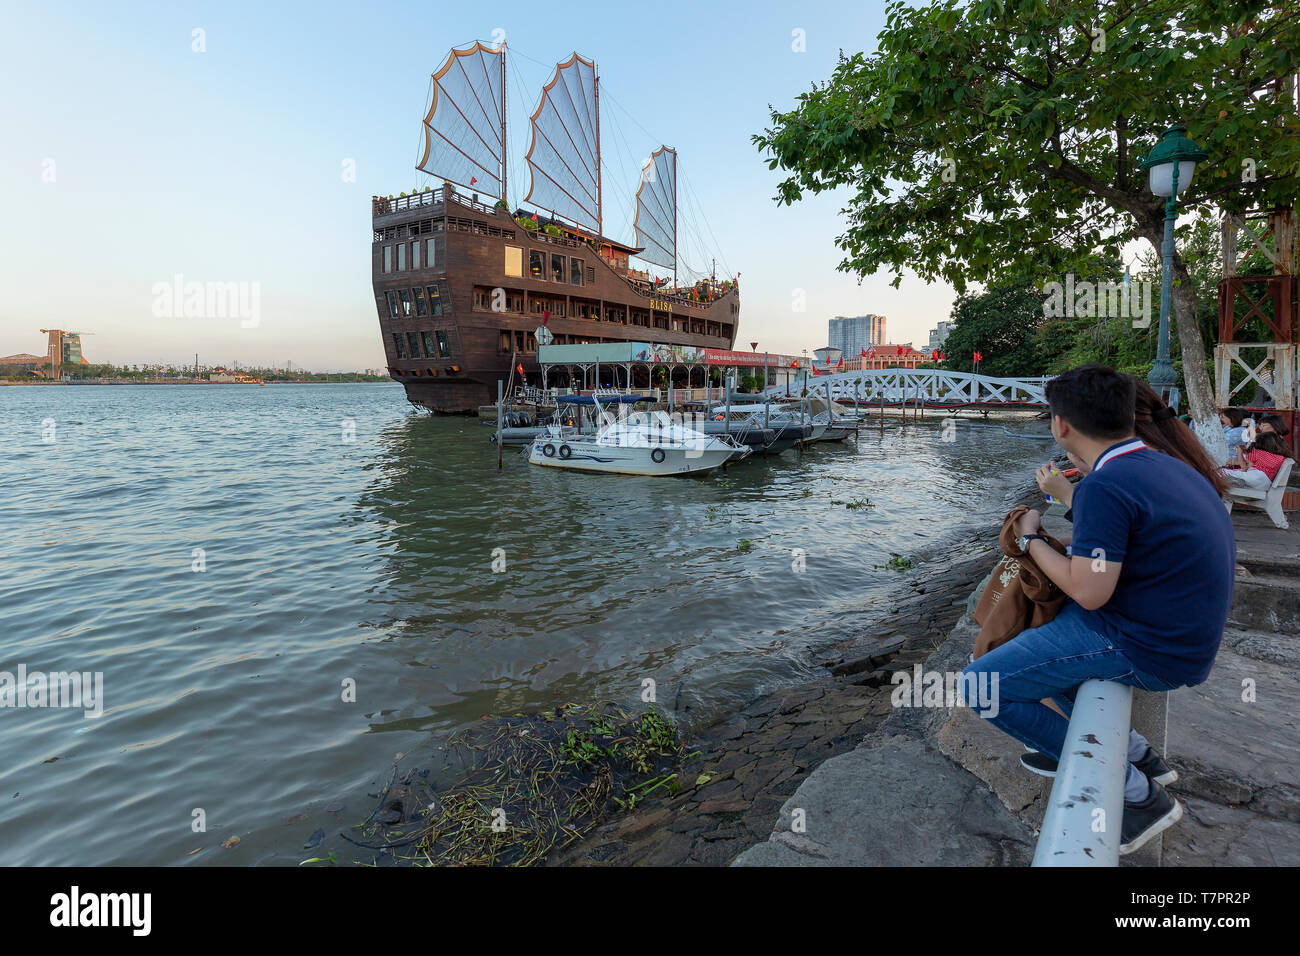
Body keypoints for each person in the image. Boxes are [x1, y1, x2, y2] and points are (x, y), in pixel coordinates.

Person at [961, 365, 1237, 855]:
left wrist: (1029, 538)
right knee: (1045, 652)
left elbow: (1089, 592)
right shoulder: (1163, 463)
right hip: (1181, 636)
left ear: (1062, 425)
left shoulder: (1105, 486)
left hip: (1147, 646)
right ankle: (1137, 756)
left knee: (980, 686)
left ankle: (1137, 795)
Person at [1224, 431, 1294, 491]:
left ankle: (1220, 472)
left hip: (1256, 478)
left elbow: (1245, 468)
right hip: (1266, 483)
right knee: (1235, 474)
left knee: (1228, 473)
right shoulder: (1280, 457)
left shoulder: (1257, 452)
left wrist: (1239, 452)